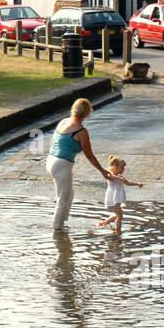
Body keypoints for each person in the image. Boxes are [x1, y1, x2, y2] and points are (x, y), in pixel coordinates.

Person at [45, 97, 111, 231]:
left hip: (51, 160)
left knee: (69, 194)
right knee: (63, 198)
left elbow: (52, 143)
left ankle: (62, 222)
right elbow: (89, 155)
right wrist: (103, 171)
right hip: (62, 164)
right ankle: (57, 229)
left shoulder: (63, 122)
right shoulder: (81, 132)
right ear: (87, 114)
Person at [98, 155, 145, 236]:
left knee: (118, 213)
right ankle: (118, 230)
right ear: (114, 167)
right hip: (113, 199)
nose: (123, 169)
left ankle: (105, 222)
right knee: (120, 215)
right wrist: (119, 178)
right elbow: (110, 177)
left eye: (123, 167)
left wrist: (137, 184)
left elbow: (127, 182)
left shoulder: (120, 176)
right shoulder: (110, 174)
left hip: (117, 198)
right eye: (121, 167)